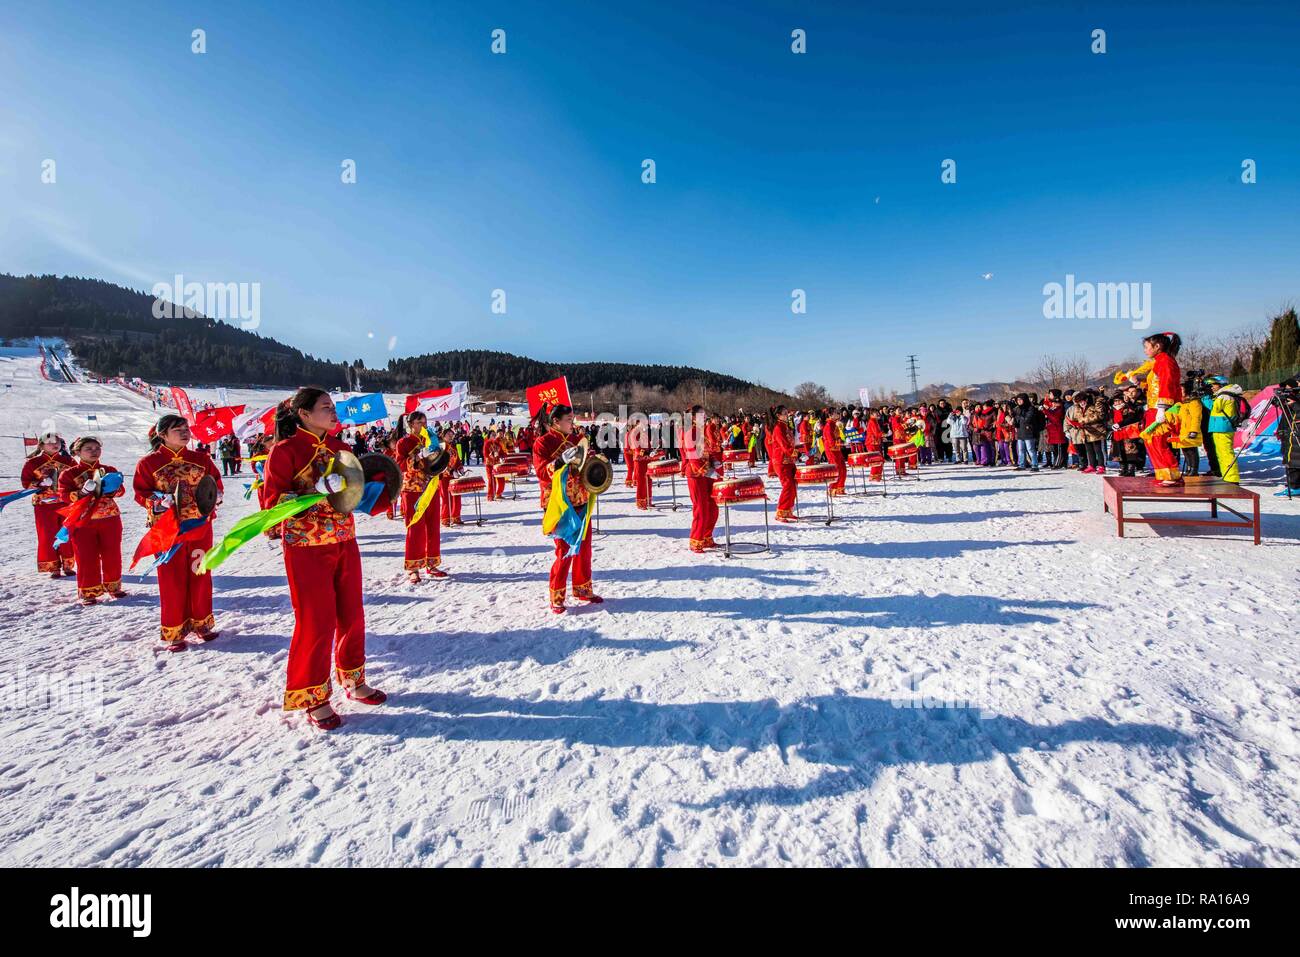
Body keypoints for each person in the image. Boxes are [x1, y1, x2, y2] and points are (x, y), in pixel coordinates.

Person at [262, 388, 386, 730]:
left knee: (352, 612)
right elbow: (272, 503)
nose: (333, 412)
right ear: (303, 413)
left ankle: (354, 679)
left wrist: (379, 487)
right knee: (317, 620)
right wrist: (315, 491)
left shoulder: (341, 448)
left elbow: (354, 495)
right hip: (306, 547)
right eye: (325, 407)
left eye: (333, 406)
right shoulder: (284, 451)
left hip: (344, 540)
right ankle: (313, 696)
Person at [132, 415, 225, 647]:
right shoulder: (148, 463)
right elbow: (140, 492)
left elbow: (214, 482)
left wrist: (217, 496)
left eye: (186, 429)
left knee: (200, 573)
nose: (185, 433)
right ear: (162, 435)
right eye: (177, 429)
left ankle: (202, 623)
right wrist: (158, 499)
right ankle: (174, 630)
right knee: (171, 579)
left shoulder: (200, 458)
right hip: (167, 528)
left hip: (199, 525)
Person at [533, 405, 602, 612]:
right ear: (556, 421)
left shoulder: (575, 440)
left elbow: (583, 465)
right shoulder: (542, 443)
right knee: (564, 550)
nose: (573, 423)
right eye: (569, 419)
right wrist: (559, 462)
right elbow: (541, 473)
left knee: (584, 548)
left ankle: (582, 589)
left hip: (581, 498)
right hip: (560, 504)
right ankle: (557, 594)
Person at [58, 437, 125, 605]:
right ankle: (89, 591)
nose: (94, 451)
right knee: (86, 555)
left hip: (109, 517)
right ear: (78, 452)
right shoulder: (69, 473)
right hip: (82, 520)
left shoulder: (108, 469)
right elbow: (64, 495)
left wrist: (112, 488)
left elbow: (121, 491)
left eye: (97, 448)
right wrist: (81, 492)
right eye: (89, 449)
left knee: (112, 553)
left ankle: (113, 586)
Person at [1116, 332, 1184, 486]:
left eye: (1147, 347)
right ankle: (1163, 473)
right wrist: (1137, 383)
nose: (1145, 350)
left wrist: (1162, 408)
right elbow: (1154, 386)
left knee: (1157, 441)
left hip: (1163, 408)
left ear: (1157, 346)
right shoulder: (1158, 362)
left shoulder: (1165, 361)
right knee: (1151, 441)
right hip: (1154, 407)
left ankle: (1172, 475)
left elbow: (1167, 385)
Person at [394, 411, 447, 582]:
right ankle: (414, 567)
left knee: (433, 526)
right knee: (415, 528)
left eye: (425, 421)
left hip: (431, 486)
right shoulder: (404, 442)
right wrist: (417, 456)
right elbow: (401, 465)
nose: (423, 425)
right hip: (412, 489)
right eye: (419, 422)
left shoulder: (429, 440)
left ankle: (431, 563)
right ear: (411, 424)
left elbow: (438, 461)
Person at [20, 432, 76, 578]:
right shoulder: (32, 463)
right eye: (50, 442)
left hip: (66, 503)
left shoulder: (68, 461)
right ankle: (53, 566)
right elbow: (26, 483)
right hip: (44, 505)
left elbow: (78, 478)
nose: (54, 444)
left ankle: (68, 564)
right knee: (48, 535)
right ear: (41, 445)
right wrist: (39, 484)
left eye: (57, 441)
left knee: (66, 533)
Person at [683, 406, 721, 552]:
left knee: (712, 507)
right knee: (701, 508)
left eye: (704, 414)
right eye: (701, 415)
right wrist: (706, 471)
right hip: (695, 474)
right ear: (693, 417)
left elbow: (706, 451)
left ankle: (706, 536)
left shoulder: (700, 431)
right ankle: (696, 540)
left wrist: (713, 461)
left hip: (705, 473)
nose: (704, 417)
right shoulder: (690, 432)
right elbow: (692, 456)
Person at [1202, 376, 1247, 483]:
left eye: (1213, 384)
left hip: (1222, 428)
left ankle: (1232, 478)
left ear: (1221, 384)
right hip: (1221, 427)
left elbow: (1214, 407)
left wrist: (1205, 397)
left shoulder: (1224, 395)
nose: (1211, 387)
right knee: (1221, 453)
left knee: (1226, 453)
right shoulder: (1226, 394)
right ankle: (1226, 475)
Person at [768, 405, 799, 521]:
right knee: (788, 485)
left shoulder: (785, 427)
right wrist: (794, 452)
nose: (787, 415)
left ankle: (788, 510)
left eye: (787, 413)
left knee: (793, 484)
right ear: (778, 415)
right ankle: (781, 511)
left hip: (789, 460)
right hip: (781, 460)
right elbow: (783, 445)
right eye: (785, 413)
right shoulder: (778, 428)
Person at [823, 408, 847, 495]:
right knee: (836, 468)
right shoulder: (829, 425)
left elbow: (837, 437)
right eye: (835, 413)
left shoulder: (834, 424)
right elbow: (830, 440)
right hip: (831, 450)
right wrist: (838, 444)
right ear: (830, 415)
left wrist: (842, 441)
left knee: (843, 468)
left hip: (836, 449)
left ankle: (840, 488)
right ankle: (832, 489)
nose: (838, 414)